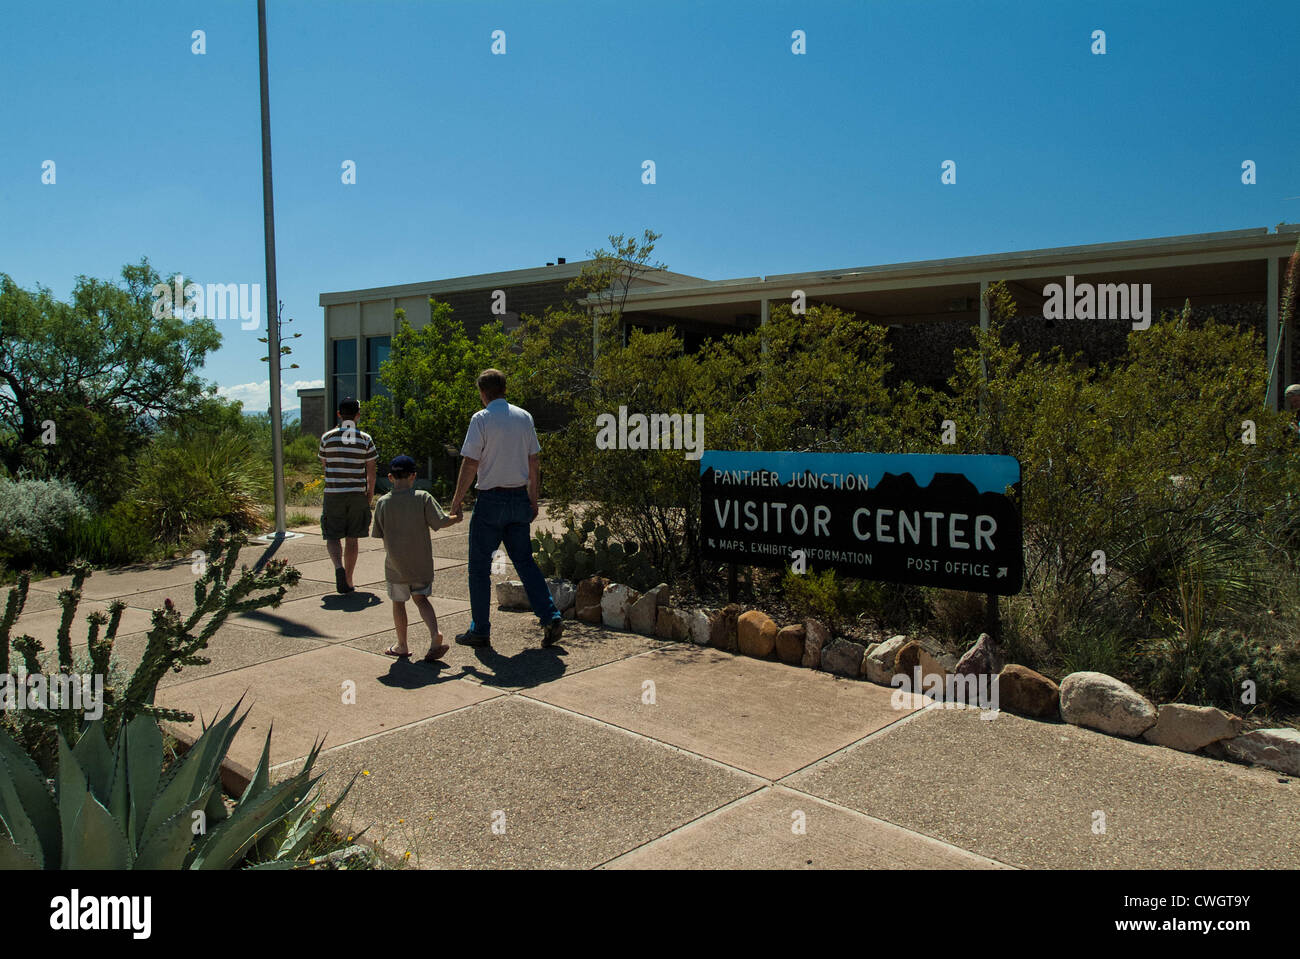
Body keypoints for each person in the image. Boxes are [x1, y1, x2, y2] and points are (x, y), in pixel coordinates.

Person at [448, 369, 563, 649]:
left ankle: (480, 630)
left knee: (478, 568)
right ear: (504, 389)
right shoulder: (524, 417)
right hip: (518, 499)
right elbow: (533, 461)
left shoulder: (481, 419)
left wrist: (456, 499)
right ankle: (550, 616)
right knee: (525, 562)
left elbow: (471, 463)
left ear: (483, 392)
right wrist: (533, 498)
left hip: (490, 500)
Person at [371, 455, 462, 661]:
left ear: (390, 477)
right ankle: (434, 633)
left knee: (398, 603)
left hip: (395, 566)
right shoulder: (423, 497)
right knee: (421, 600)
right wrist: (457, 518)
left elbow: (378, 534)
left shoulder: (383, 503)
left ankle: (402, 645)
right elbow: (441, 522)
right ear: (413, 476)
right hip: (421, 565)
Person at [318, 397, 378, 593]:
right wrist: (369, 493)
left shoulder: (327, 438)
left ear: (338, 414)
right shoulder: (365, 439)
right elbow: (371, 470)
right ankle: (349, 579)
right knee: (353, 538)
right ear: (357, 416)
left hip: (333, 493)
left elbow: (325, 466)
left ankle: (338, 567)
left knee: (332, 535)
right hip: (356, 494)